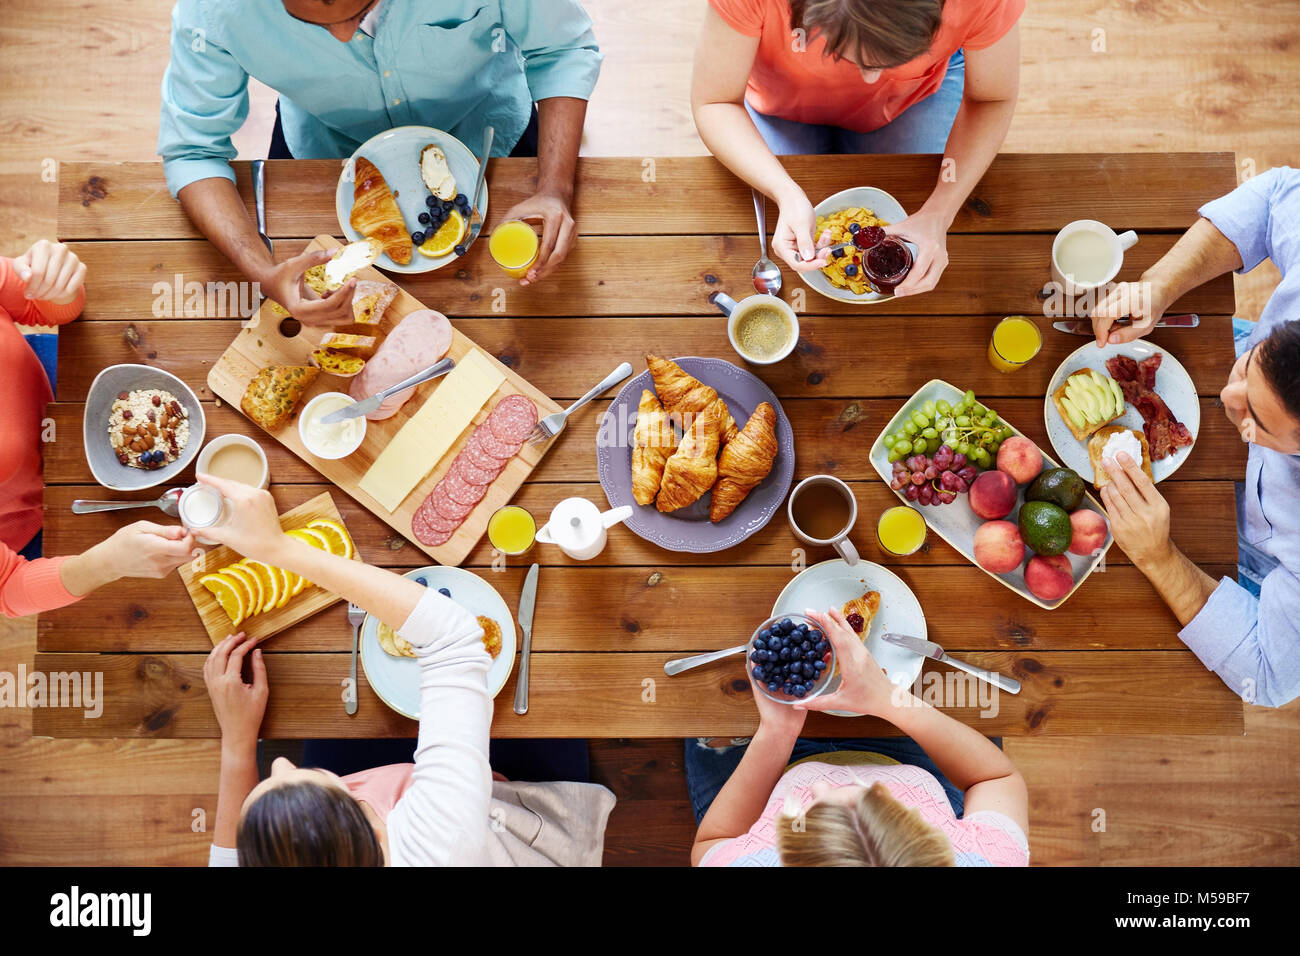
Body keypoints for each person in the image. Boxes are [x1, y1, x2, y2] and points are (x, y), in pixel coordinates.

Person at [199, 474, 613, 865]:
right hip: (516, 816)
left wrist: (237, 740)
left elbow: (227, 856)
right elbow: (452, 635)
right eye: (304, 779)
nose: (280, 764)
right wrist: (278, 549)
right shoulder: (439, 846)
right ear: (378, 837)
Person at [158, 1, 604, 322]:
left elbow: (563, 49)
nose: (344, 37)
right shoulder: (212, 10)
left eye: (359, 13)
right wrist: (265, 272)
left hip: (491, 130)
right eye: (305, 20)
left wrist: (553, 190)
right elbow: (192, 150)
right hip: (322, 153)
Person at [1089, 166, 1300, 707]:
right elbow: (1278, 194)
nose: (1224, 400)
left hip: (1252, 553)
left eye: (1253, 417)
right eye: (1248, 373)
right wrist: (1159, 286)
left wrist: (1159, 557)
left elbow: (1269, 678)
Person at [691, 0, 1022, 295]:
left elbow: (989, 99)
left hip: (910, 101)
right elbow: (716, 102)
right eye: (852, 58)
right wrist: (784, 191)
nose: (868, 80)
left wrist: (939, 213)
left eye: (888, 61)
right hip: (778, 103)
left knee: (913, 193)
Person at [689, 608, 1028, 866]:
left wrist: (776, 734)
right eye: (873, 799)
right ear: (927, 838)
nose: (820, 787)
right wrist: (889, 699)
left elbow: (714, 841)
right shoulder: (984, 859)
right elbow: (996, 778)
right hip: (921, 761)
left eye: (809, 813)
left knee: (702, 698)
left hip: (767, 785)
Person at [1, 240, 195, 618]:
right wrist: (105, 564)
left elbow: (52, 308)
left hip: (54, 381)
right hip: (38, 513)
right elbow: (8, 588)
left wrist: (59, 283)